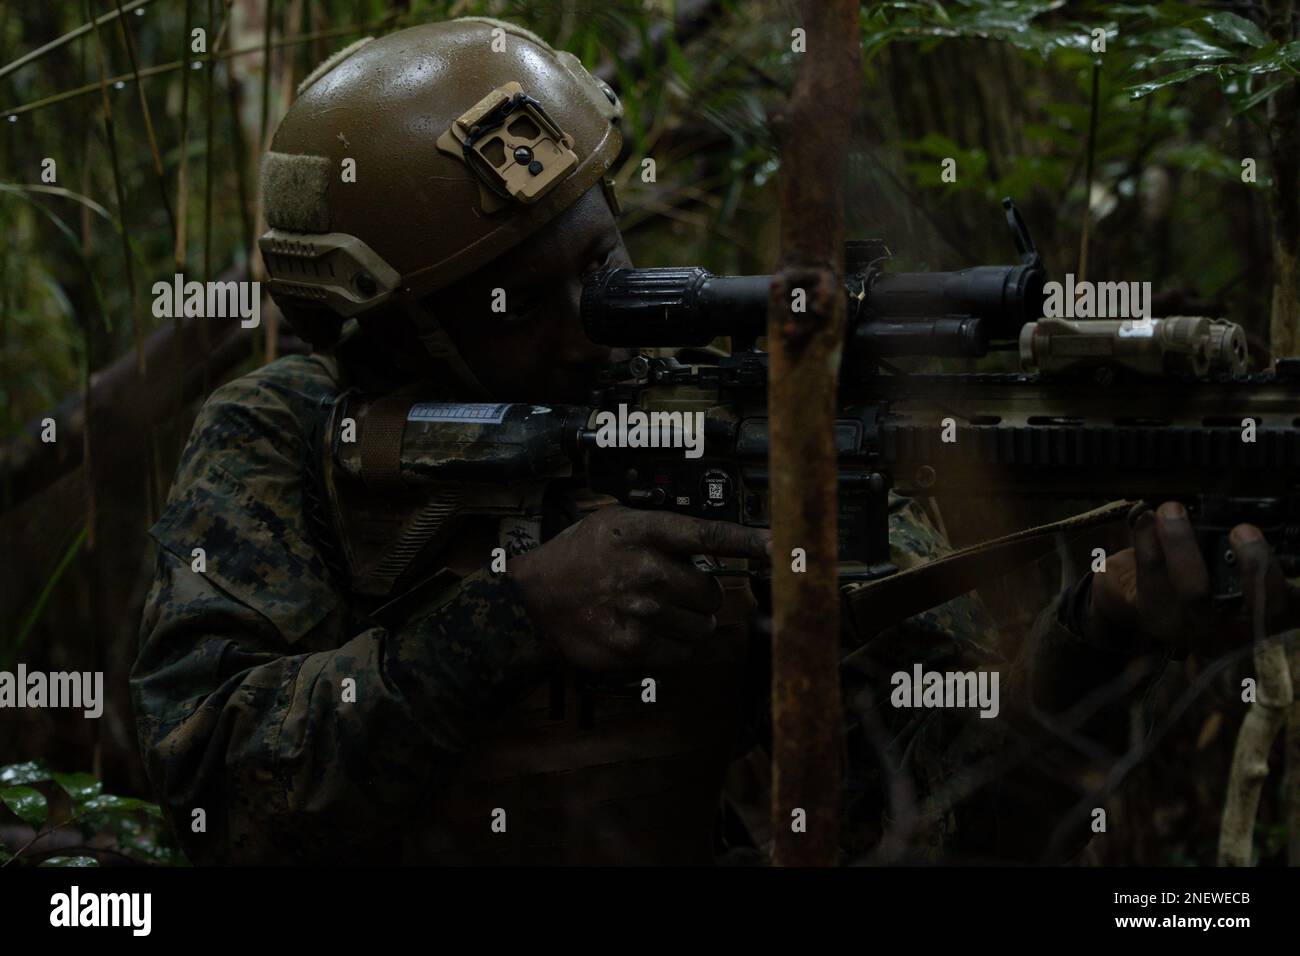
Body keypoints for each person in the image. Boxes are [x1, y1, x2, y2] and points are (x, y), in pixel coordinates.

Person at [131, 17, 1298, 865]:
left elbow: (952, 803)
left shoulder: (735, 420)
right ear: (385, 335)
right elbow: (200, 786)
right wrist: (513, 615)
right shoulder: (285, 436)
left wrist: (1093, 634)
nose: (596, 324)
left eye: (605, 263)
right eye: (521, 305)